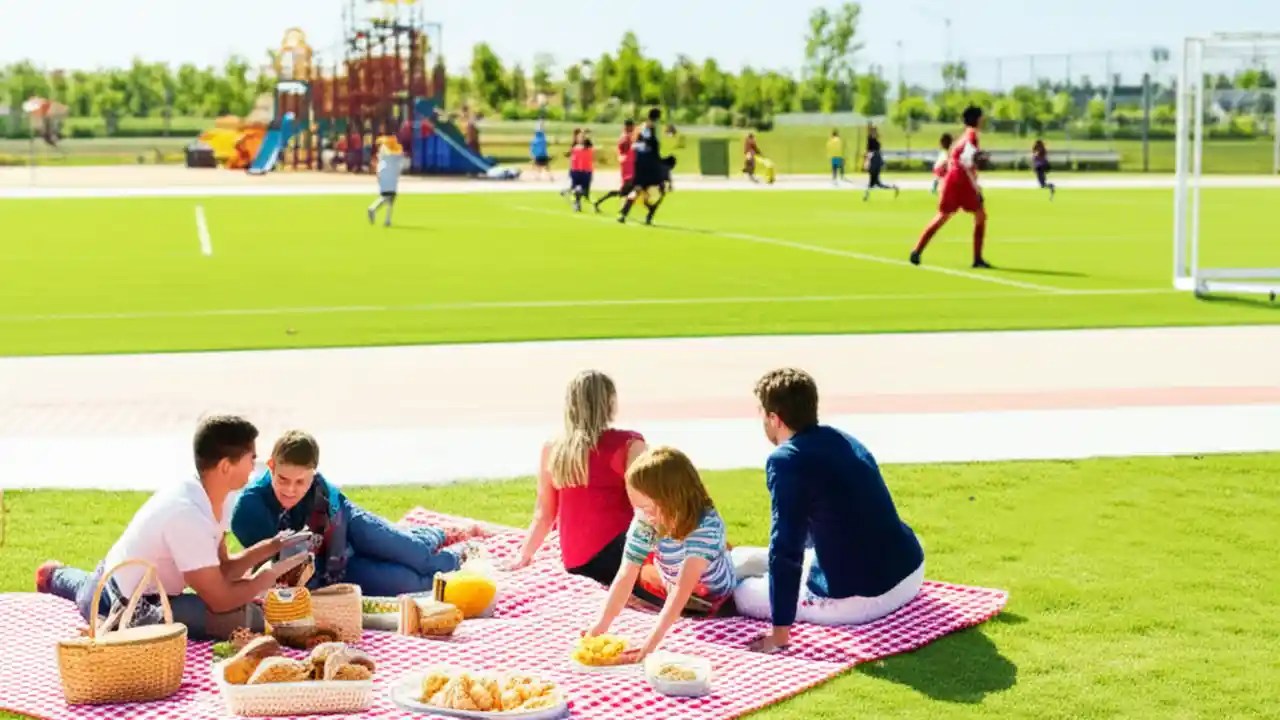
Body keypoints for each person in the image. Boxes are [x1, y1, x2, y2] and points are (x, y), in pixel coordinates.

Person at [35, 415, 312, 641]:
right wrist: (268, 576)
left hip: (128, 580)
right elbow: (220, 599)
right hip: (127, 604)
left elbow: (222, 570)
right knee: (243, 619)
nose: (255, 465)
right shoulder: (186, 515)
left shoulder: (220, 495)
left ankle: (56, 576)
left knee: (247, 610)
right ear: (226, 466)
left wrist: (273, 546)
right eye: (251, 457)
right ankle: (57, 578)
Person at [735, 369, 925, 654]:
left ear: (775, 418)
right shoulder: (841, 438)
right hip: (910, 570)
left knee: (744, 594)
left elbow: (786, 549)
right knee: (740, 559)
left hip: (866, 596)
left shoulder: (786, 460)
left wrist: (779, 636)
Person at [231, 430, 483, 598]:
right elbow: (271, 566)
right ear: (271, 466)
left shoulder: (322, 492)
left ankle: (460, 543)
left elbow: (337, 530)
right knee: (415, 584)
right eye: (283, 479)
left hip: (346, 527)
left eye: (300, 481)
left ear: (314, 473)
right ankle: (448, 552)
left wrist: (335, 564)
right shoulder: (249, 512)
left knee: (418, 555)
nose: (290, 489)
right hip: (323, 566)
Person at [584, 446, 738, 663]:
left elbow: (682, 591)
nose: (643, 515)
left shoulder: (705, 527)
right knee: (639, 571)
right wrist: (599, 627)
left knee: (741, 579)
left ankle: (738, 558)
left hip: (711, 594)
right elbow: (626, 573)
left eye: (647, 508)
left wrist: (649, 646)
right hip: (670, 580)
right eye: (639, 508)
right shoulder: (647, 521)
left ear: (672, 498)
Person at [511, 371, 647, 586]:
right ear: (609, 402)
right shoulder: (629, 444)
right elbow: (649, 507)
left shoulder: (554, 448)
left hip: (576, 562)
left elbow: (544, 515)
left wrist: (523, 556)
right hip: (620, 558)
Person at [911, 105, 991, 269]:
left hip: (951, 178)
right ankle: (977, 259)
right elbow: (967, 161)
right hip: (962, 178)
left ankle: (917, 250)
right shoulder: (972, 135)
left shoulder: (961, 137)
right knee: (980, 216)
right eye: (981, 117)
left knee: (942, 216)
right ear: (977, 119)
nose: (983, 120)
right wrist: (977, 186)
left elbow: (955, 158)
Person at [619, 107, 667, 225]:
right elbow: (646, 143)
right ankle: (649, 213)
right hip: (649, 164)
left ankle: (624, 214)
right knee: (661, 190)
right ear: (657, 117)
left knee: (638, 189)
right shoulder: (649, 128)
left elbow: (636, 144)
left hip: (641, 163)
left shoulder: (641, 127)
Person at [593, 119, 637, 213]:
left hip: (629, 164)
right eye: (632, 126)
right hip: (628, 165)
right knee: (628, 189)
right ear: (628, 127)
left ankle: (599, 202)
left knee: (626, 190)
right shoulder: (626, 137)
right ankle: (621, 209)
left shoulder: (628, 137)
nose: (633, 128)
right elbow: (625, 149)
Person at [367, 136, 404, 228]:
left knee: (386, 197)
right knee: (389, 198)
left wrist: (379, 177)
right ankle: (374, 209)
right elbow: (400, 162)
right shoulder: (394, 156)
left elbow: (379, 168)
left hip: (384, 178)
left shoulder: (382, 156)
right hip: (391, 179)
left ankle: (387, 220)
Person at [862, 125, 899, 201]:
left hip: (875, 161)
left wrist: (868, 161)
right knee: (877, 184)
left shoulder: (873, 141)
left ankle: (866, 196)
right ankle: (894, 187)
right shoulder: (873, 141)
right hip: (875, 160)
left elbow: (871, 152)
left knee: (873, 183)